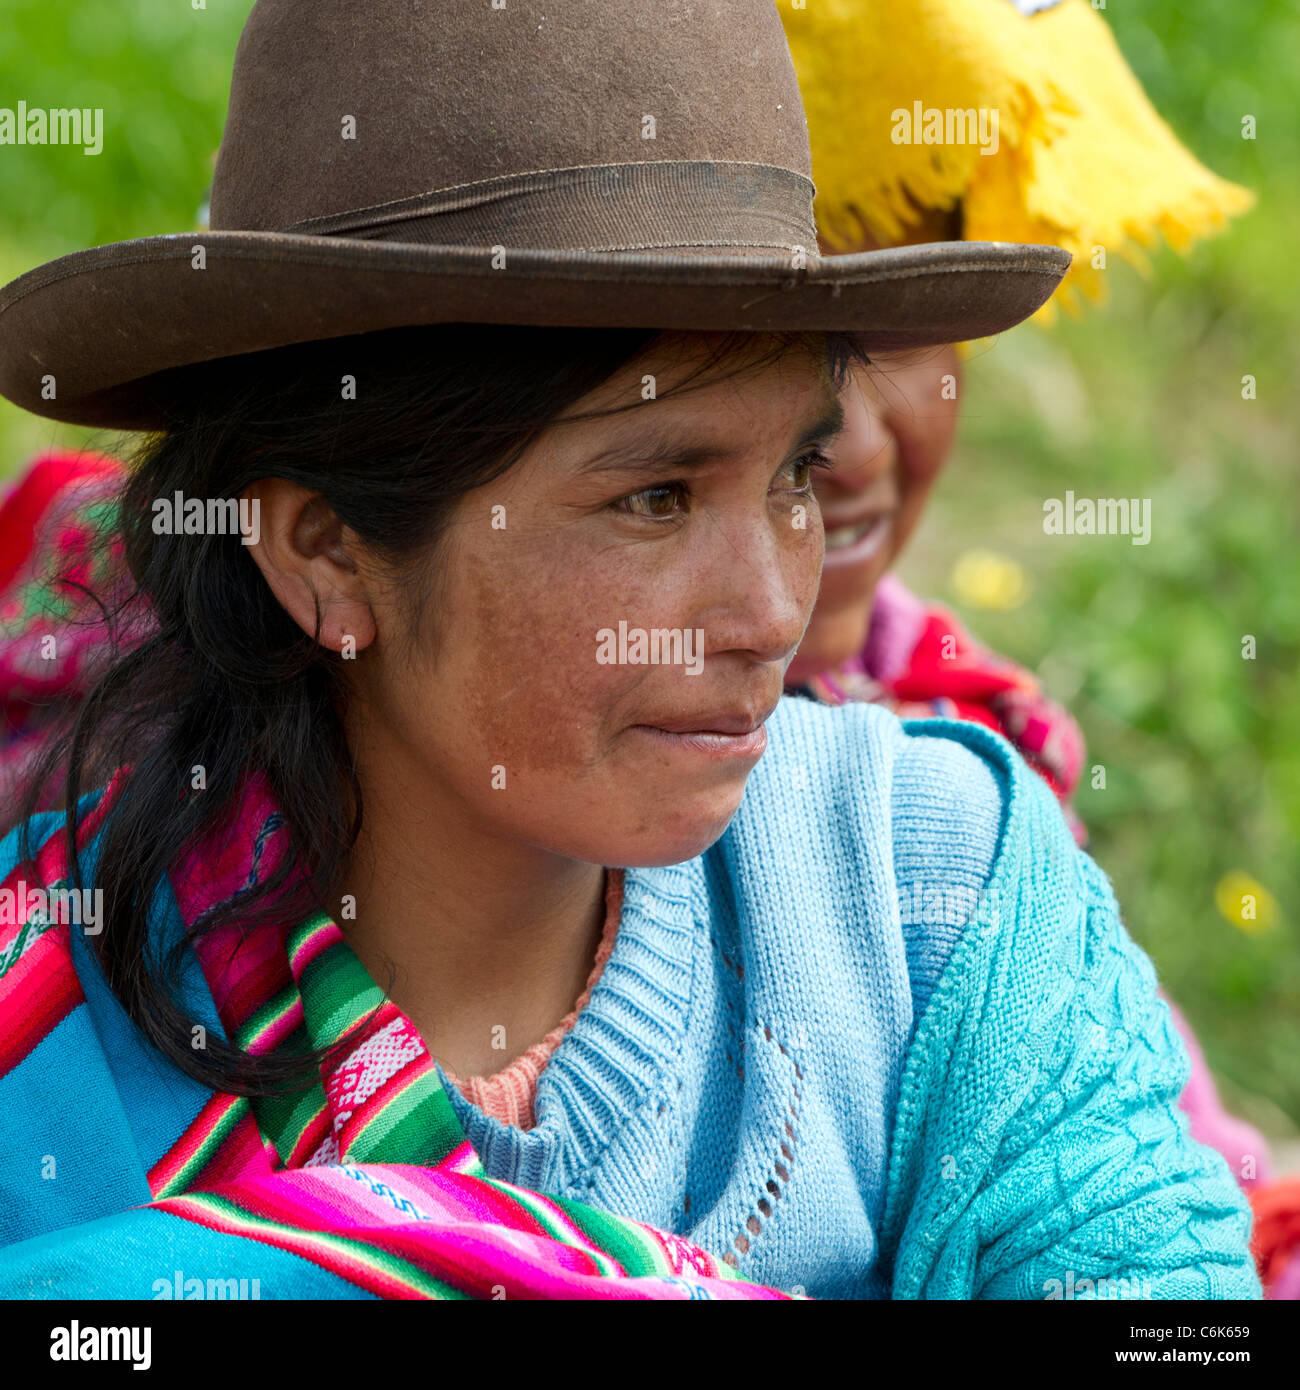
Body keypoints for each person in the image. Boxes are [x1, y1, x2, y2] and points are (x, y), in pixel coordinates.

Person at [0, 0, 1260, 1300]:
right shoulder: (42, 1063)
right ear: (325, 547)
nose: (774, 607)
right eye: (657, 496)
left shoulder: (935, 902)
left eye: (797, 472)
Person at [773, 0, 1287, 1280]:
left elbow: (1165, 1178)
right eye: (759, 344)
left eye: (902, 320)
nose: (859, 445)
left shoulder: (955, 763)